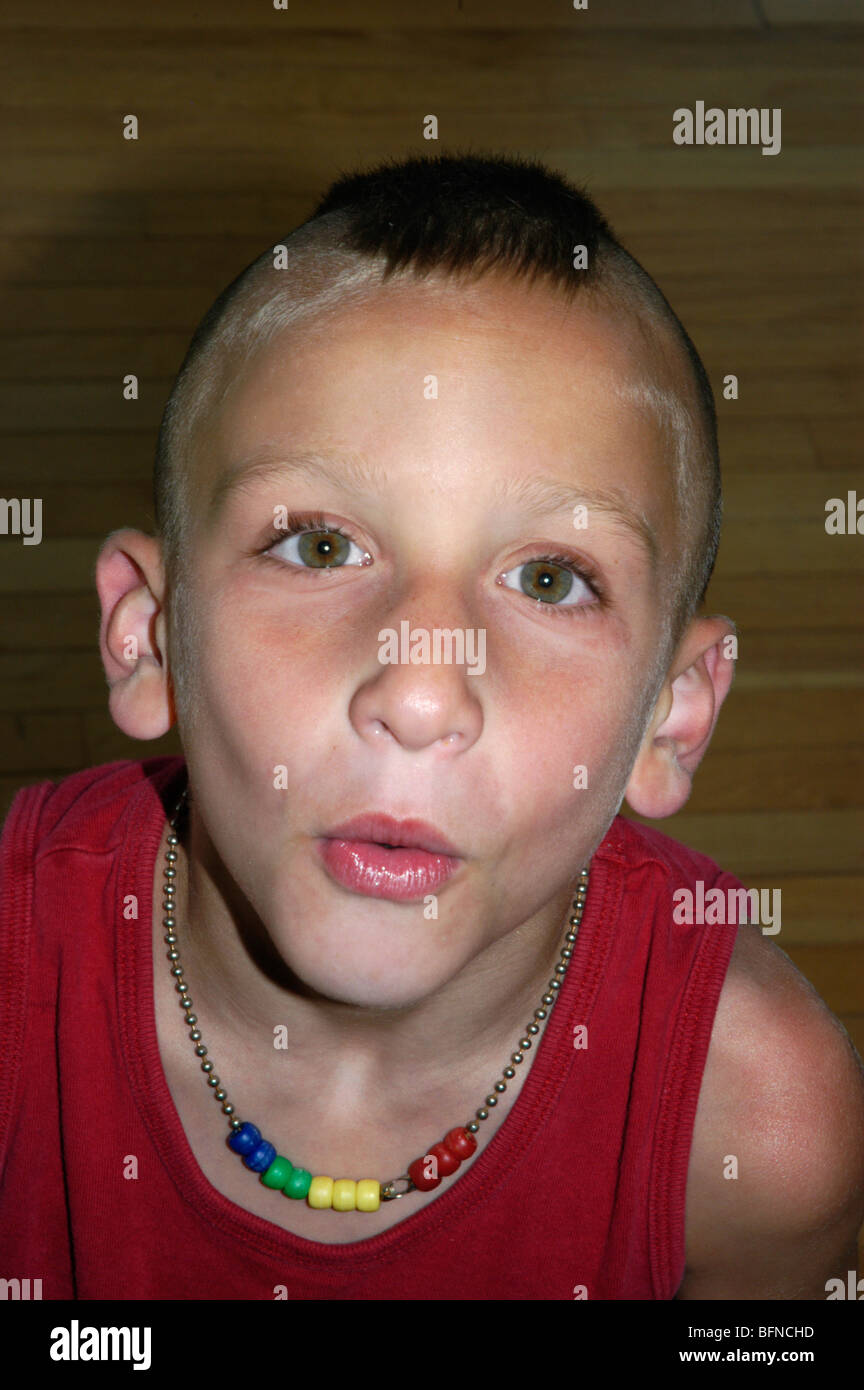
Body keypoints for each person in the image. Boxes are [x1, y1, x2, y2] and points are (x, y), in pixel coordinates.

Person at [1, 152, 862, 1301]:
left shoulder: (757, 1125)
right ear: (152, 638)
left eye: (551, 579)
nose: (420, 690)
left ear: (675, 712)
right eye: (319, 545)